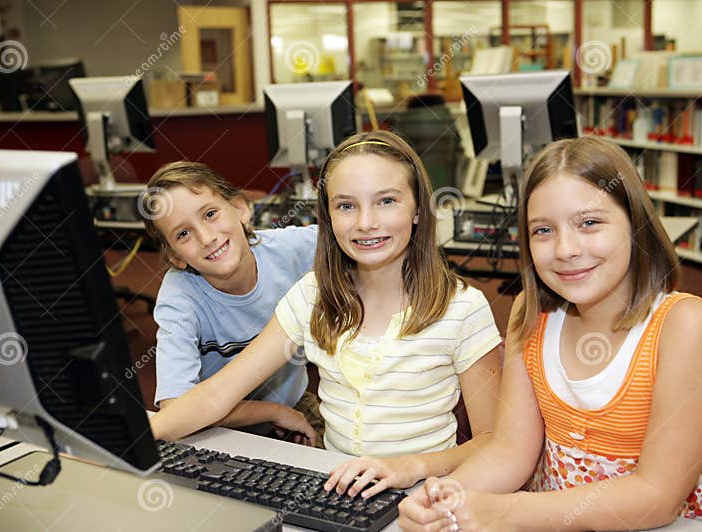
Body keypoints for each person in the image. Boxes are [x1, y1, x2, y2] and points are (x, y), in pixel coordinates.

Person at [398, 136, 702, 530]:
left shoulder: (686, 327)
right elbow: (511, 448)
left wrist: (497, 512)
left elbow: (655, 497)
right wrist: (445, 497)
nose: (566, 249)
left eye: (589, 223)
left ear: (636, 224)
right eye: (543, 230)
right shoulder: (531, 311)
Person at [149, 130, 502, 497]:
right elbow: (214, 397)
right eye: (346, 206)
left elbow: (494, 441)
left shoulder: (463, 309)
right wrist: (128, 441)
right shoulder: (311, 296)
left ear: (417, 208)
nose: (366, 222)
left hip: (428, 494)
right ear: (328, 216)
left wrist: (413, 467)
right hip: (339, 490)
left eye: (386, 201)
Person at [142, 161, 321, 445]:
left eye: (210, 214)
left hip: (295, 407)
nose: (206, 237)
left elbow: (352, 237)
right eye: (183, 234)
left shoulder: (291, 248)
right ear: (175, 256)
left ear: (240, 209)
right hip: (213, 426)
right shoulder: (179, 298)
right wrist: (270, 412)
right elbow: (176, 410)